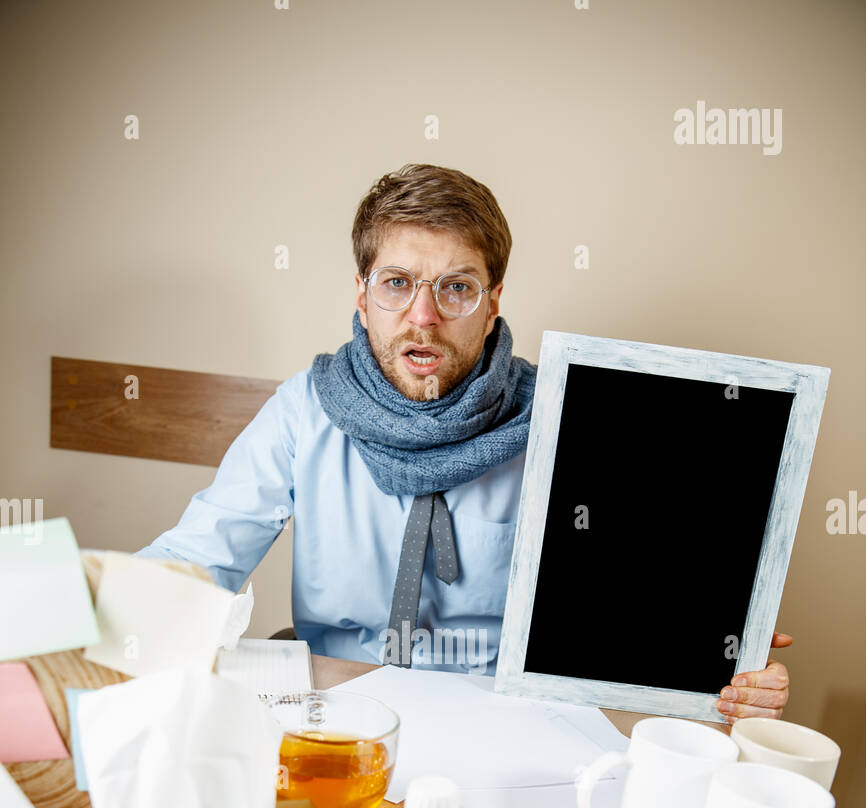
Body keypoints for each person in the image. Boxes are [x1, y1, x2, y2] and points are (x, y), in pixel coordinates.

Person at [139, 163, 791, 723]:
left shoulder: (565, 423)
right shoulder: (302, 414)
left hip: (506, 718)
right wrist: (87, 601)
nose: (424, 317)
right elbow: (198, 560)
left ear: (493, 301)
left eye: (457, 287)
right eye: (397, 283)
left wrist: (727, 655)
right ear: (362, 296)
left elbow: (648, 596)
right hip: (340, 707)